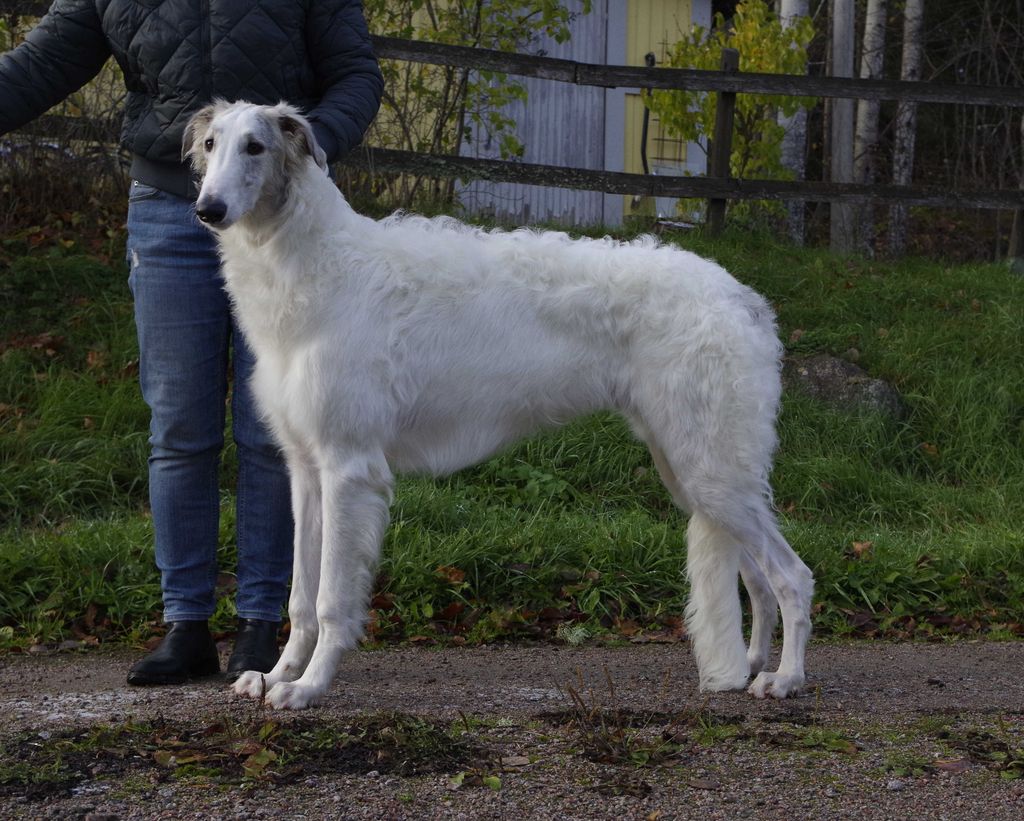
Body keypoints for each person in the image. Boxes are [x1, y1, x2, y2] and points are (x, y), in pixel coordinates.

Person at [0, 1, 383, 685]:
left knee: (278, 433)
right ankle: (186, 625)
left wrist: (290, 148)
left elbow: (355, 74)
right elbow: (42, 64)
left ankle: (268, 625)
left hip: (286, 227)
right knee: (179, 423)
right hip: (169, 215)